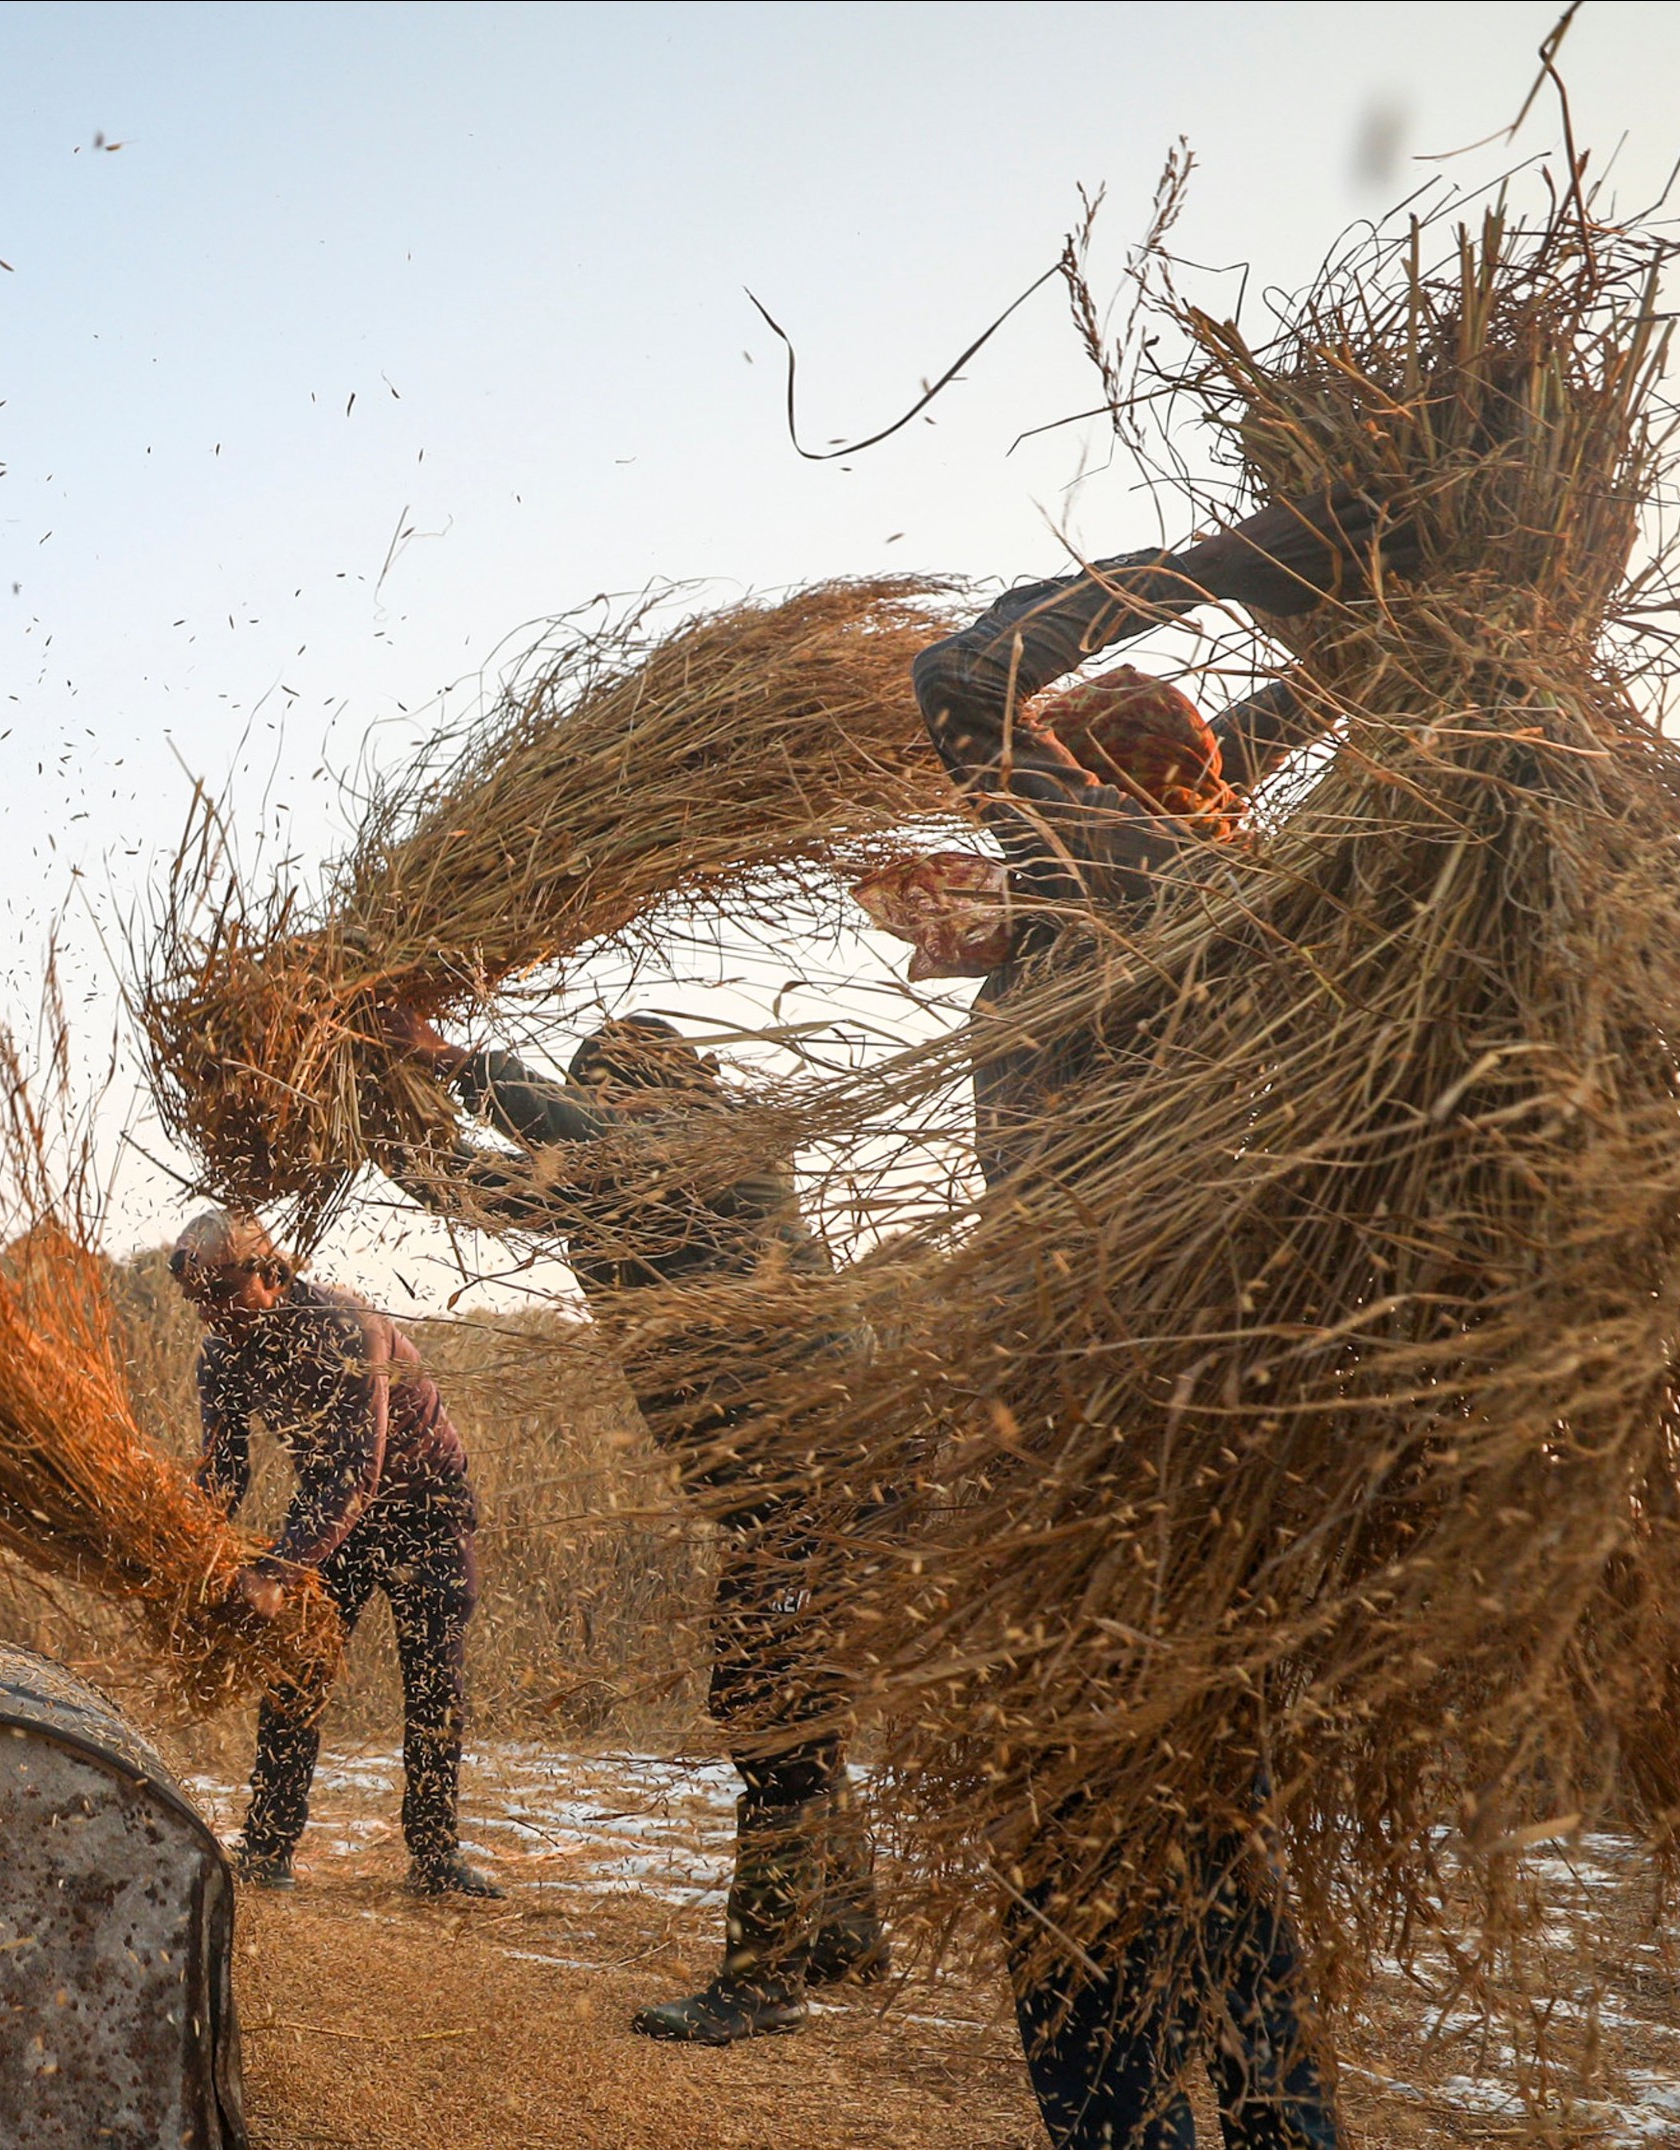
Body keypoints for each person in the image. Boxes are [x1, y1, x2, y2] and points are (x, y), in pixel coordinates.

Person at [905, 491, 1404, 2150]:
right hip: (1231, 1438)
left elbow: (957, 673)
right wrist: (1338, 651)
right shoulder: (1215, 890)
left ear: (1081, 786)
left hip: (1079, 1437)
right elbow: (1212, 761)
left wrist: (1232, 561)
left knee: (1073, 1858)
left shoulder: (1098, 853)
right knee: (1207, 1839)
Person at [365, 1007, 879, 2043]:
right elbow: (471, 1185)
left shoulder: (719, 1151)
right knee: (791, 1698)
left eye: (611, 1089)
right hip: (769, 1486)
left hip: (827, 1466)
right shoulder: (611, 1195)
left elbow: (595, 1141)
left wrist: (456, 1061)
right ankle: (843, 1933)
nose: (598, 1108)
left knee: (768, 1703)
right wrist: (375, 1109)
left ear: (659, 1090)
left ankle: (764, 1977)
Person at [171, 1209, 499, 1898]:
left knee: (433, 1685)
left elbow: (358, 1473)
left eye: (224, 1294)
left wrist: (276, 1571)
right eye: (197, 1301)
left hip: (425, 1511)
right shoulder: (223, 1355)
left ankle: (435, 1860)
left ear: (272, 1273)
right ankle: (266, 1848)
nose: (212, 1314)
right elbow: (224, 1472)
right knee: (295, 1673)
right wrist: (186, 1550)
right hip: (328, 1515)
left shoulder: (348, 1329)